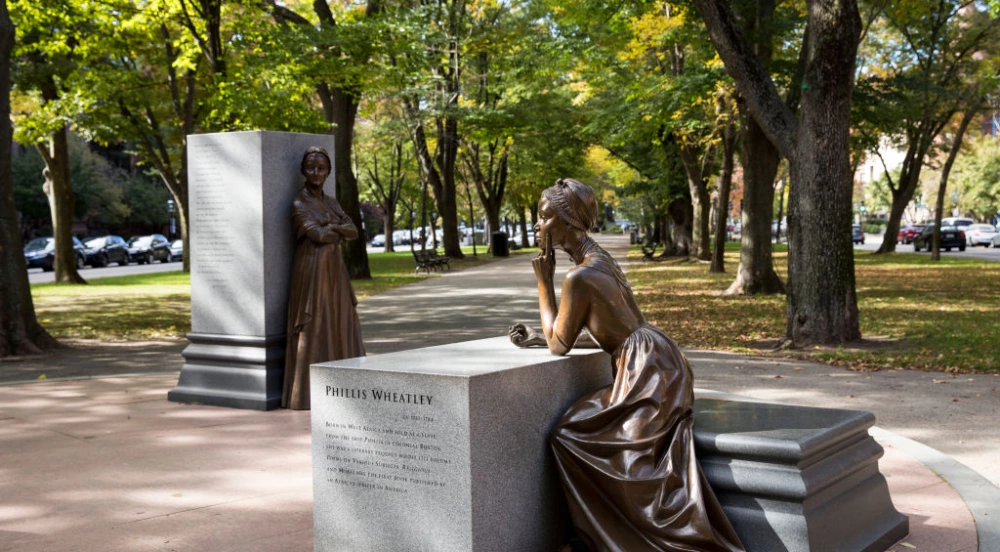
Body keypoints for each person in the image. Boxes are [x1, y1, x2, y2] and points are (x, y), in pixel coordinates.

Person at [509, 179, 744, 552]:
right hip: (659, 357)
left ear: (569, 222)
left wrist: (543, 283)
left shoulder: (578, 277)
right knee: (582, 436)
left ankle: (633, 538)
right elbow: (608, 330)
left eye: (545, 216)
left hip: (646, 373)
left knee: (571, 436)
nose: (538, 225)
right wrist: (541, 335)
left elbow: (558, 345)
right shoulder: (598, 258)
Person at [283, 147, 365, 410]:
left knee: (340, 316)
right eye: (311, 168)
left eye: (321, 168)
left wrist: (332, 226)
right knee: (315, 321)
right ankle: (307, 393)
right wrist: (335, 228)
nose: (316, 172)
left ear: (328, 171)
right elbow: (319, 235)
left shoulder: (332, 202)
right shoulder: (299, 202)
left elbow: (353, 231)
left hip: (335, 267)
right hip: (312, 267)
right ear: (303, 171)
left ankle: (343, 381)